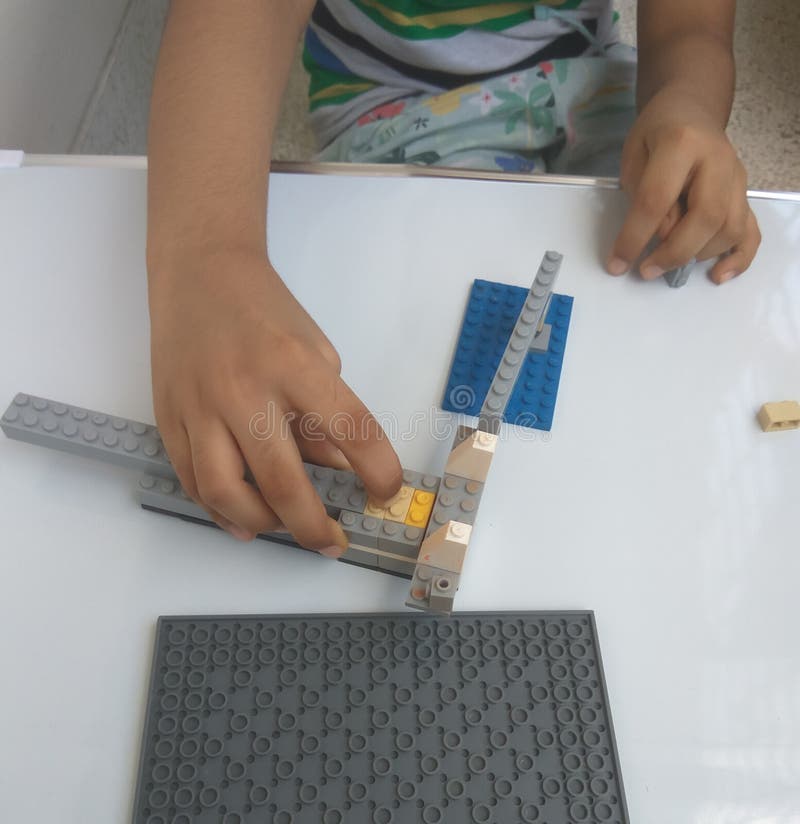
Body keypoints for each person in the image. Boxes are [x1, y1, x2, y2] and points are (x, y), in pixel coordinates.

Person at [146, 0, 761, 555]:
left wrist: (689, 101)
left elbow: (692, 25)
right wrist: (208, 254)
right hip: (394, 101)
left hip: (592, 76)